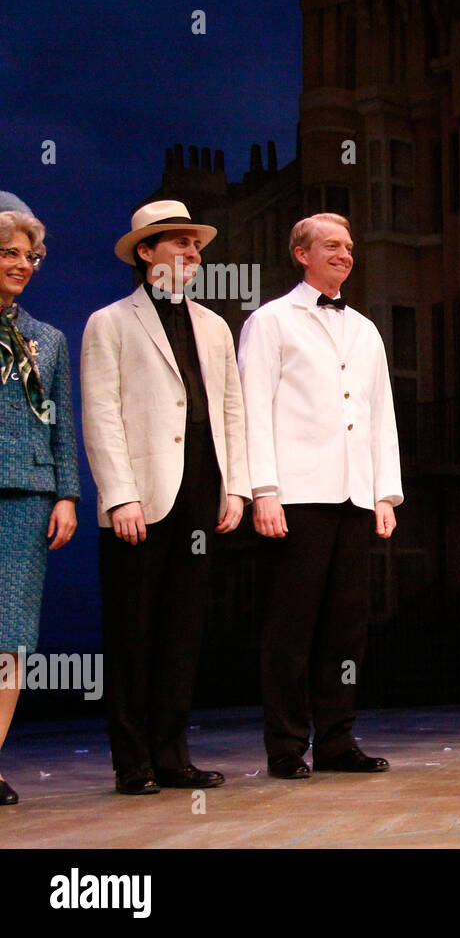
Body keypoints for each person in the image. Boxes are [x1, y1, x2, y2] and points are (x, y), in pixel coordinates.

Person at [82, 200, 250, 795]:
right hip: (142, 499)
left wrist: (237, 486)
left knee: (184, 632)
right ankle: (132, 763)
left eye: (196, 245)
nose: (192, 254)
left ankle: (173, 754)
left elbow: (232, 409)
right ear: (146, 253)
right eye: (179, 243)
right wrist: (119, 495)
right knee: (133, 633)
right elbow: (101, 415)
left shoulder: (214, 325)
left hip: (203, 491)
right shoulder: (110, 322)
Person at [238, 213, 401, 781]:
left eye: (350, 246)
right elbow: (254, 410)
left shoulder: (365, 329)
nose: (345, 254)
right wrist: (264, 490)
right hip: (298, 494)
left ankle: (337, 739)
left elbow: (381, 415)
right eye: (332, 245)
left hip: (354, 495)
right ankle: (285, 745)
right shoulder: (271, 322)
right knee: (291, 626)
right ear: (301, 253)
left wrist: (385, 494)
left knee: (346, 628)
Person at [0, 197, 79, 806]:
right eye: (8, 252)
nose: (22, 264)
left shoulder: (46, 339)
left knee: (10, 638)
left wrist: (66, 496)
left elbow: (61, 427)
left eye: (29, 256)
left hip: (27, 496)